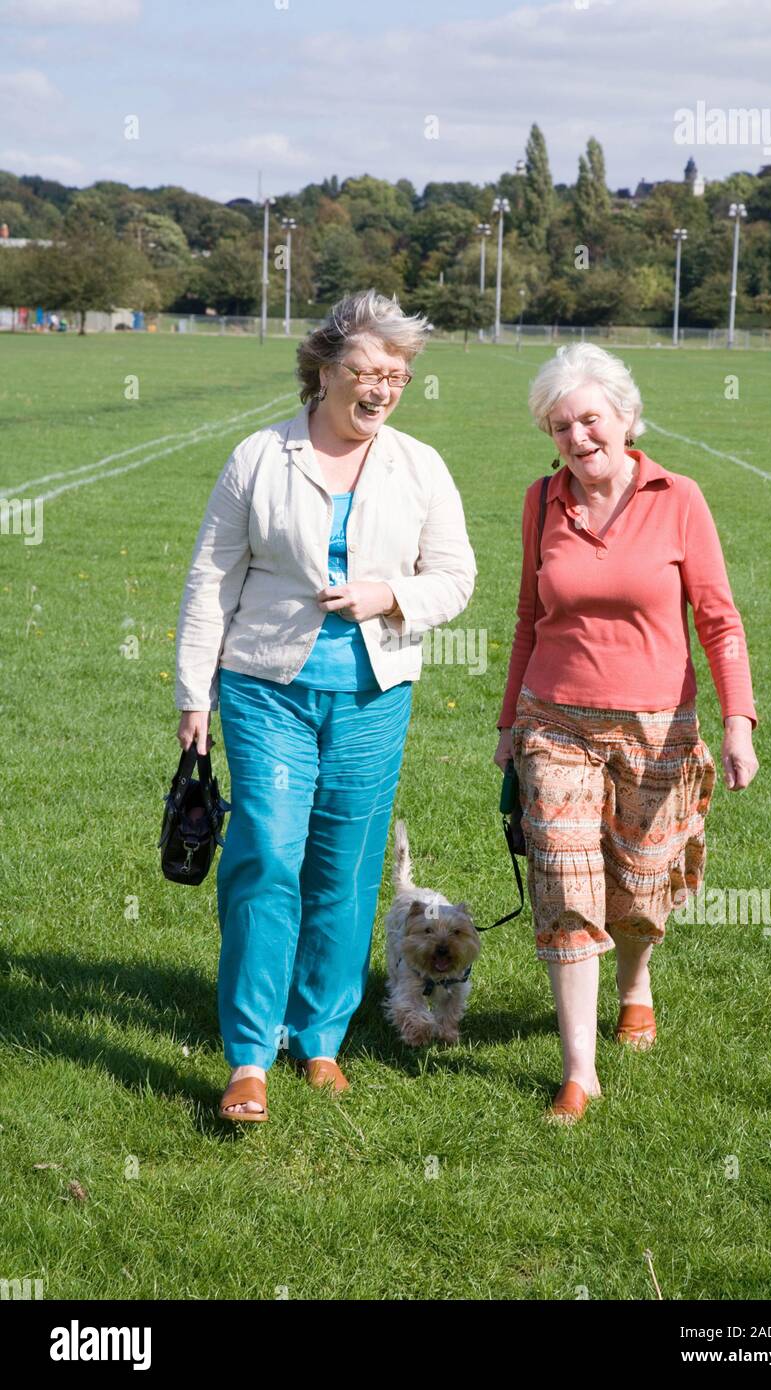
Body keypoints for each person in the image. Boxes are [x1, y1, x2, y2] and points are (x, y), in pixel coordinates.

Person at [175, 289, 476, 1120]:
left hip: (374, 695)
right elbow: (211, 578)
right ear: (323, 368)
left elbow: (455, 577)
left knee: (342, 873)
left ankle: (319, 1039)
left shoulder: (420, 466)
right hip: (265, 684)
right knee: (266, 856)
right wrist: (193, 691)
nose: (380, 389)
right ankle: (248, 1054)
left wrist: (389, 594)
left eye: (398, 375)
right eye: (365, 371)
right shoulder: (259, 457)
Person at [493, 343, 758, 1123]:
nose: (578, 437)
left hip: (658, 727)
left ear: (626, 418)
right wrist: (511, 722)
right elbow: (524, 621)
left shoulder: (680, 498)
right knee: (567, 887)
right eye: (561, 425)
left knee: (639, 888)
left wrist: (737, 721)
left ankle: (635, 981)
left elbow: (718, 616)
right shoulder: (542, 503)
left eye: (590, 419)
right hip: (557, 722)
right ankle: (580, 1072)